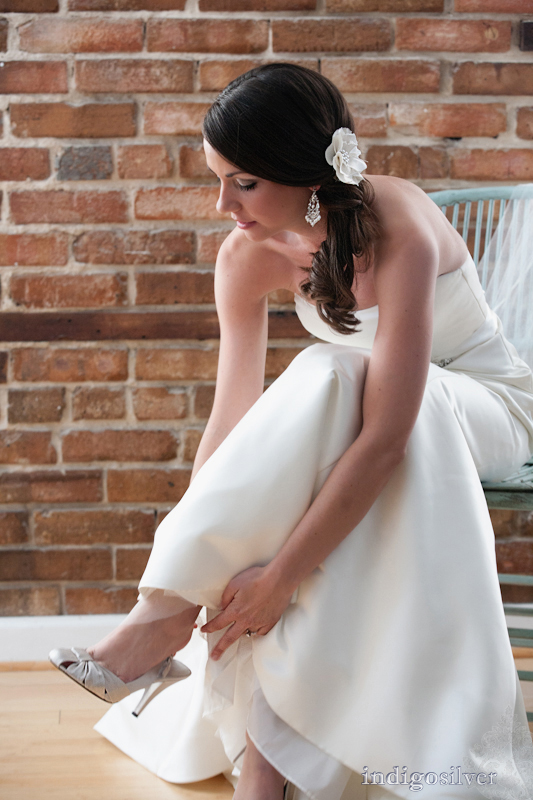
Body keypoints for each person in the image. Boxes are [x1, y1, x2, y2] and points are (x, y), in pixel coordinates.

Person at [49, 64, 533, 800]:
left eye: (242, 182)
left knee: (338, 373)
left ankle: (163, 633)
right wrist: (211, 547)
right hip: (373, 426)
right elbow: (234, 421)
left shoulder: (395, 222)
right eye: (217, 179)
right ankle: (184, 635)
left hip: (489, 411)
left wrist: (278, 577)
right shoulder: (245, 257)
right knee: (338, 386)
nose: (223, 204)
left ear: (304, 171)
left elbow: (387, 438)